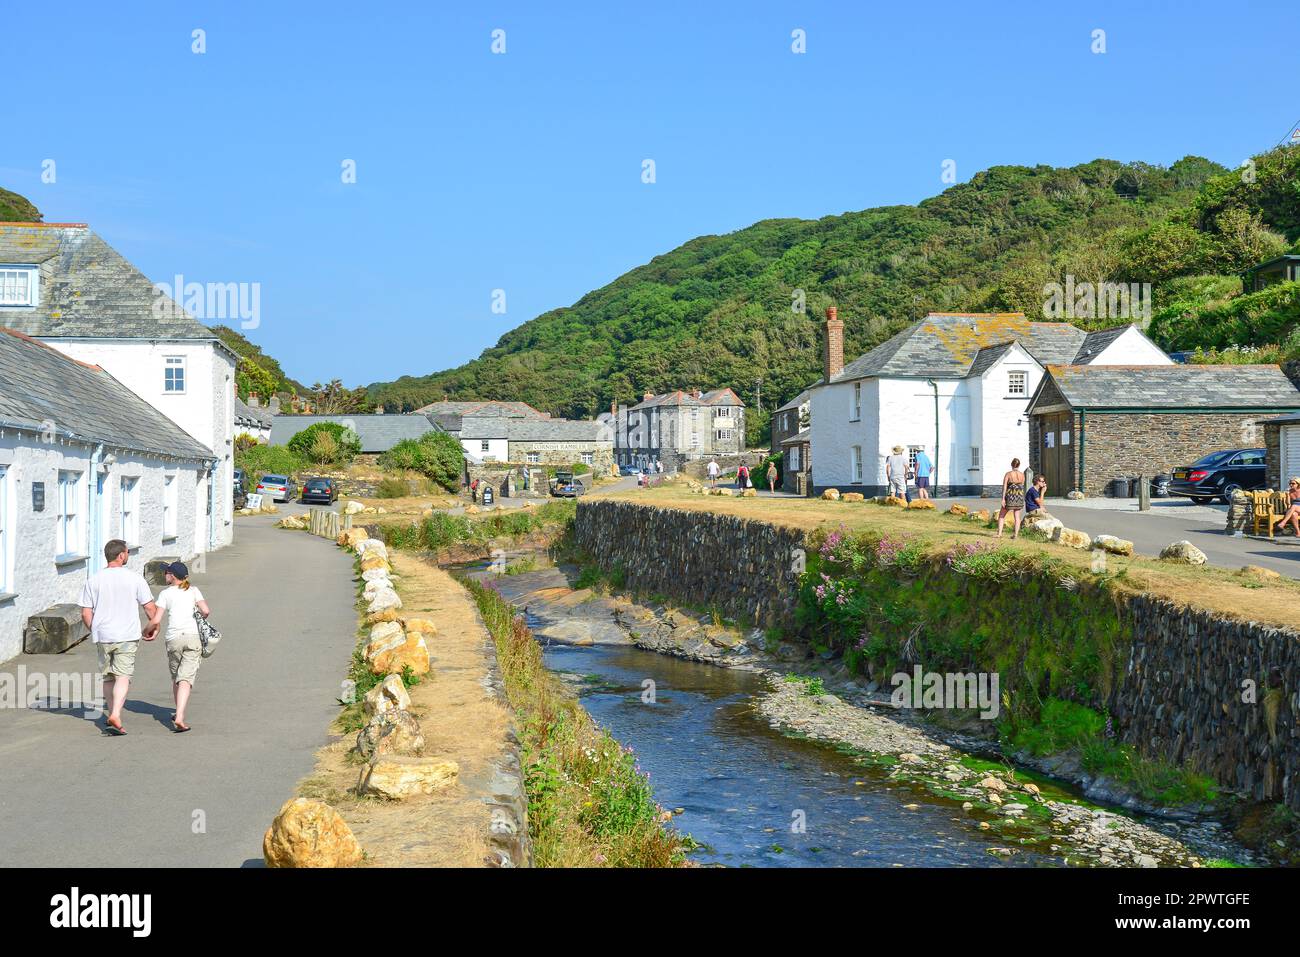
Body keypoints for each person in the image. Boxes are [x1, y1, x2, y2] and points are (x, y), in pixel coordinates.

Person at [79, 540, 159, 736]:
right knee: (123, 676)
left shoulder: (94, 580)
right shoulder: (134, 578)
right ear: (122, 555)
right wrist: (154, 626)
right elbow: (149, 607)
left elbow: (85, 613)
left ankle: (112, 711)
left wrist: (95, 628)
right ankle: (115, 713)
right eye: (127, 553)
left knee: (108, 677)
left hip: (103, 635)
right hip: (127, 634)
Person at [146, 562, 210, 733]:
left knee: (176, 677)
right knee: (185, 678)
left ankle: (178, 712)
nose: (165, 575)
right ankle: (180, 715)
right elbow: (206, 610)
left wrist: (146, 631)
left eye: (166, 573)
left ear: (172, 576)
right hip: (193, 637)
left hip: (174, 639)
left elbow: (156, 620)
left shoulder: (165, 594)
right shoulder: (194, 590)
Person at [997, 458, 1027, 539]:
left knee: (1001, 515)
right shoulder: (1022, 475)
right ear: (1019, 465)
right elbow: (1022, 486)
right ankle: (1016, 535)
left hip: (1010, 497)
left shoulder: (1008, 474)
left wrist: (1003, 499)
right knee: (1017, 517)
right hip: (1019, 497)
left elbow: (1004, 487)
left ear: (1011, 464)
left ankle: (999, 534)